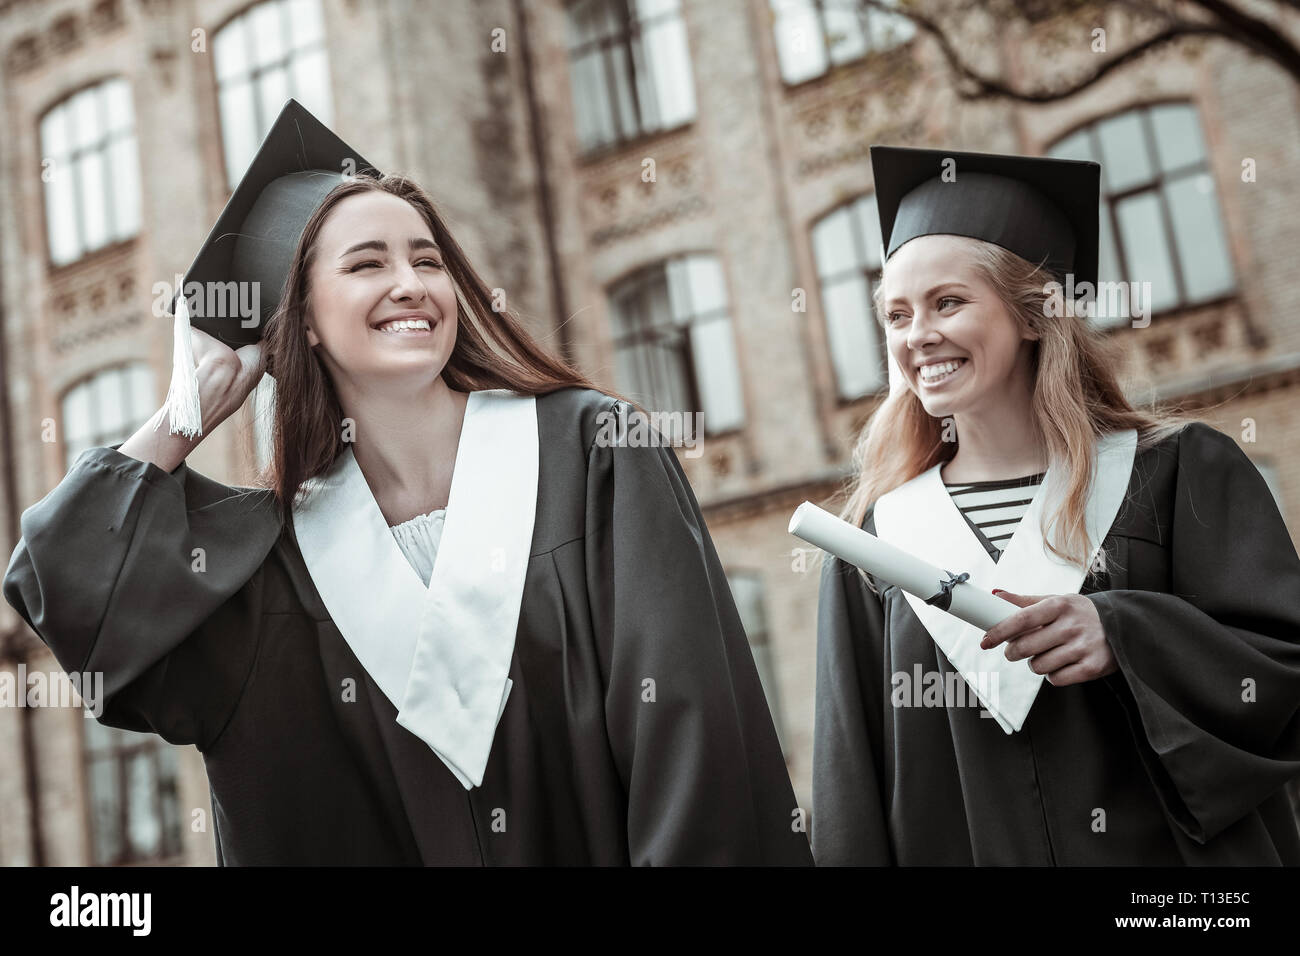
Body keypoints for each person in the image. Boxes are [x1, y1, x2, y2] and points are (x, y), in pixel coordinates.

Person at [4, 99, 812, 866]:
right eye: (367, 264)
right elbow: (60, 581)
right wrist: (189, 414)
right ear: (305, 321)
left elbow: (697, 741)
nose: (411, 284)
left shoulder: (591, 453)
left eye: (427, 259)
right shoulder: (268, 568)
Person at [811, 145, 1300, 865]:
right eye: (897, 314)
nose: (918, 336)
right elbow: (851, 777)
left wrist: (1126, 635)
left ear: (1035, 316)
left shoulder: (1177, 472)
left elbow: (1282, 673)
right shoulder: (876, 540)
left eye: (948, 302)